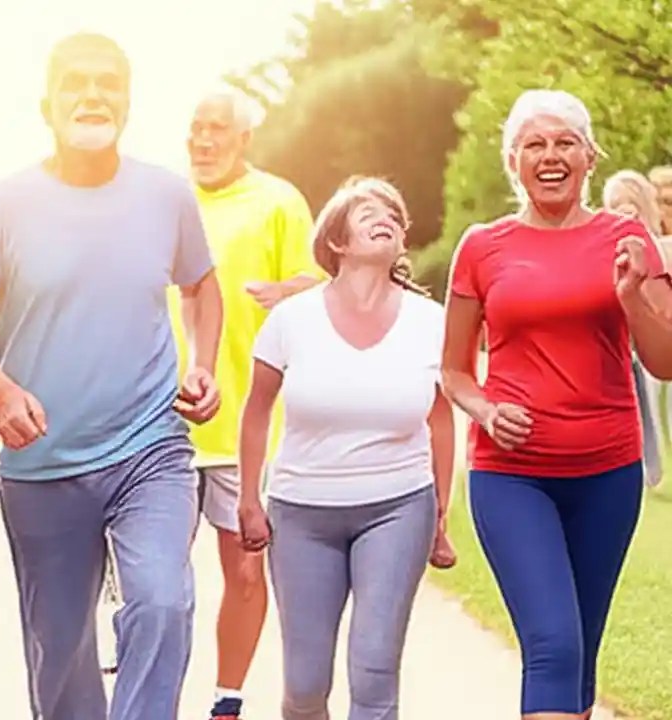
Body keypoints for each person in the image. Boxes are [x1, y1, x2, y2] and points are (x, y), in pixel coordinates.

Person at [0, 32, 224, 720]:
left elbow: (202, 287)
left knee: (163, 599)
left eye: (108, 84)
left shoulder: (167, 195)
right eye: (76, 83)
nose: (93, 95)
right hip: (43, 463)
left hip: (150, 448)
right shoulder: (6, 204)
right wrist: (2, 394)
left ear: (128, 103)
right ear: (48, 104)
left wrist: (203, 365)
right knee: (59, 653)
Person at [441, 89, 672, 720]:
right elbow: (454, 372)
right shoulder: (482, 246)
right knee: (553, 645)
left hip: (607, 474)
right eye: (535, 145)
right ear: (512, 160)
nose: (550, 155)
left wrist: (630, 299)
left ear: (590, 155)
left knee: (581, 655)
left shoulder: (628, 239)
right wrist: (486, 411)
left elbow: (666, 361)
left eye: (565, 142)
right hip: (512, 476)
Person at [238, 177, 456, 720]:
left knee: (375, 666)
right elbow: (257, 409)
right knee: (306, 684)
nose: (384, 216)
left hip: (399, 506)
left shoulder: (430, 322)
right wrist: (248, 498)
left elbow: (441, 418)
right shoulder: (292, 319)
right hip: (302, 513)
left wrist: (441, 512)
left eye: (392, 212)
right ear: (336, 241)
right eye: (367, 211)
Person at [173, 82, 322, 720]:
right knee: (159, 585)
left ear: (244, 138)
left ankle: (225, 700)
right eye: (195, 129)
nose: (204, 141)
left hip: (248, 426)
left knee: (244, 572)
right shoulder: (166, 201)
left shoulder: (279, 201)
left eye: (217, 129)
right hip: (163, 426)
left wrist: (290, 289)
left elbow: (320, 285)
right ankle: (152, 695)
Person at [602, 170, 667, 487]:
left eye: (630, 205)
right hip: (624, 349)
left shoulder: (662, 251)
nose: (624, 212)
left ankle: (653, 469)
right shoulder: (605, 253)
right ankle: (646, 470)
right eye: (616, 205)